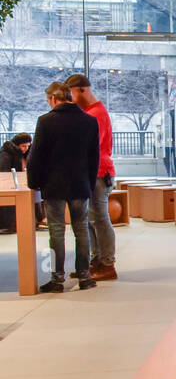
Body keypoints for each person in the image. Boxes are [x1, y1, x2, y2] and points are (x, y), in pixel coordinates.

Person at [26, 82, 100, 293]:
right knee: (82, 229)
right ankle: (85, 276)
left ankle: (57, 280)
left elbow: (37, 156)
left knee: (56, 231)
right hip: (80, 183)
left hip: (54, 184)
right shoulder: (89, 121)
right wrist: (89, 182)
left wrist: (34, 183)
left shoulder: (46, 121)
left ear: (53, 98)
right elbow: (93, 157)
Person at [66, 74, 116, 281]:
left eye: (72, 93)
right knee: (92, 219)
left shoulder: (96, 114)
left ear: (82, 90)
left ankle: (107, 264)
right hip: (93, 172)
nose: (70, 98)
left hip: (99, 173)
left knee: (99, 218)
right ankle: (97, 260)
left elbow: (92, 147)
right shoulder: (90, 112)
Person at [0, 133, 31, 234]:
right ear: (17, 145)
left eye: (28, 146)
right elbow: (4, 171)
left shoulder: (23, 155)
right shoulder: (6, 154)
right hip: (9, 184)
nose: (25, 148)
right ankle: (9, 225)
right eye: (23, 146)